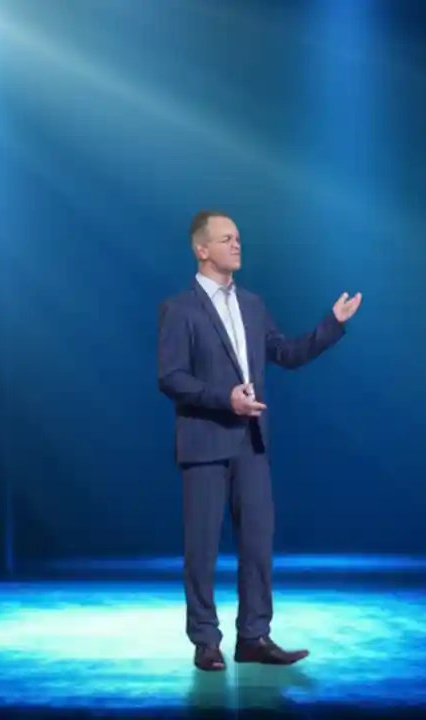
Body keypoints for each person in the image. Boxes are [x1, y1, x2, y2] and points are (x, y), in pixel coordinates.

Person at [157, 209, 362, 671]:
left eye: (239, 238)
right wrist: (222, 398)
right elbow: (170, 378)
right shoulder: (179, 308)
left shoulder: (251, 303)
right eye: (226, 238)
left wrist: (332, 323)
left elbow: (285, 353)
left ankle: (254, 636)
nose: (237, 244)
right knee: (202, 550)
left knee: (257, 545)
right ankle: (206, 642)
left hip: (250, 444)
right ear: (201, 248)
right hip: (205, 444)